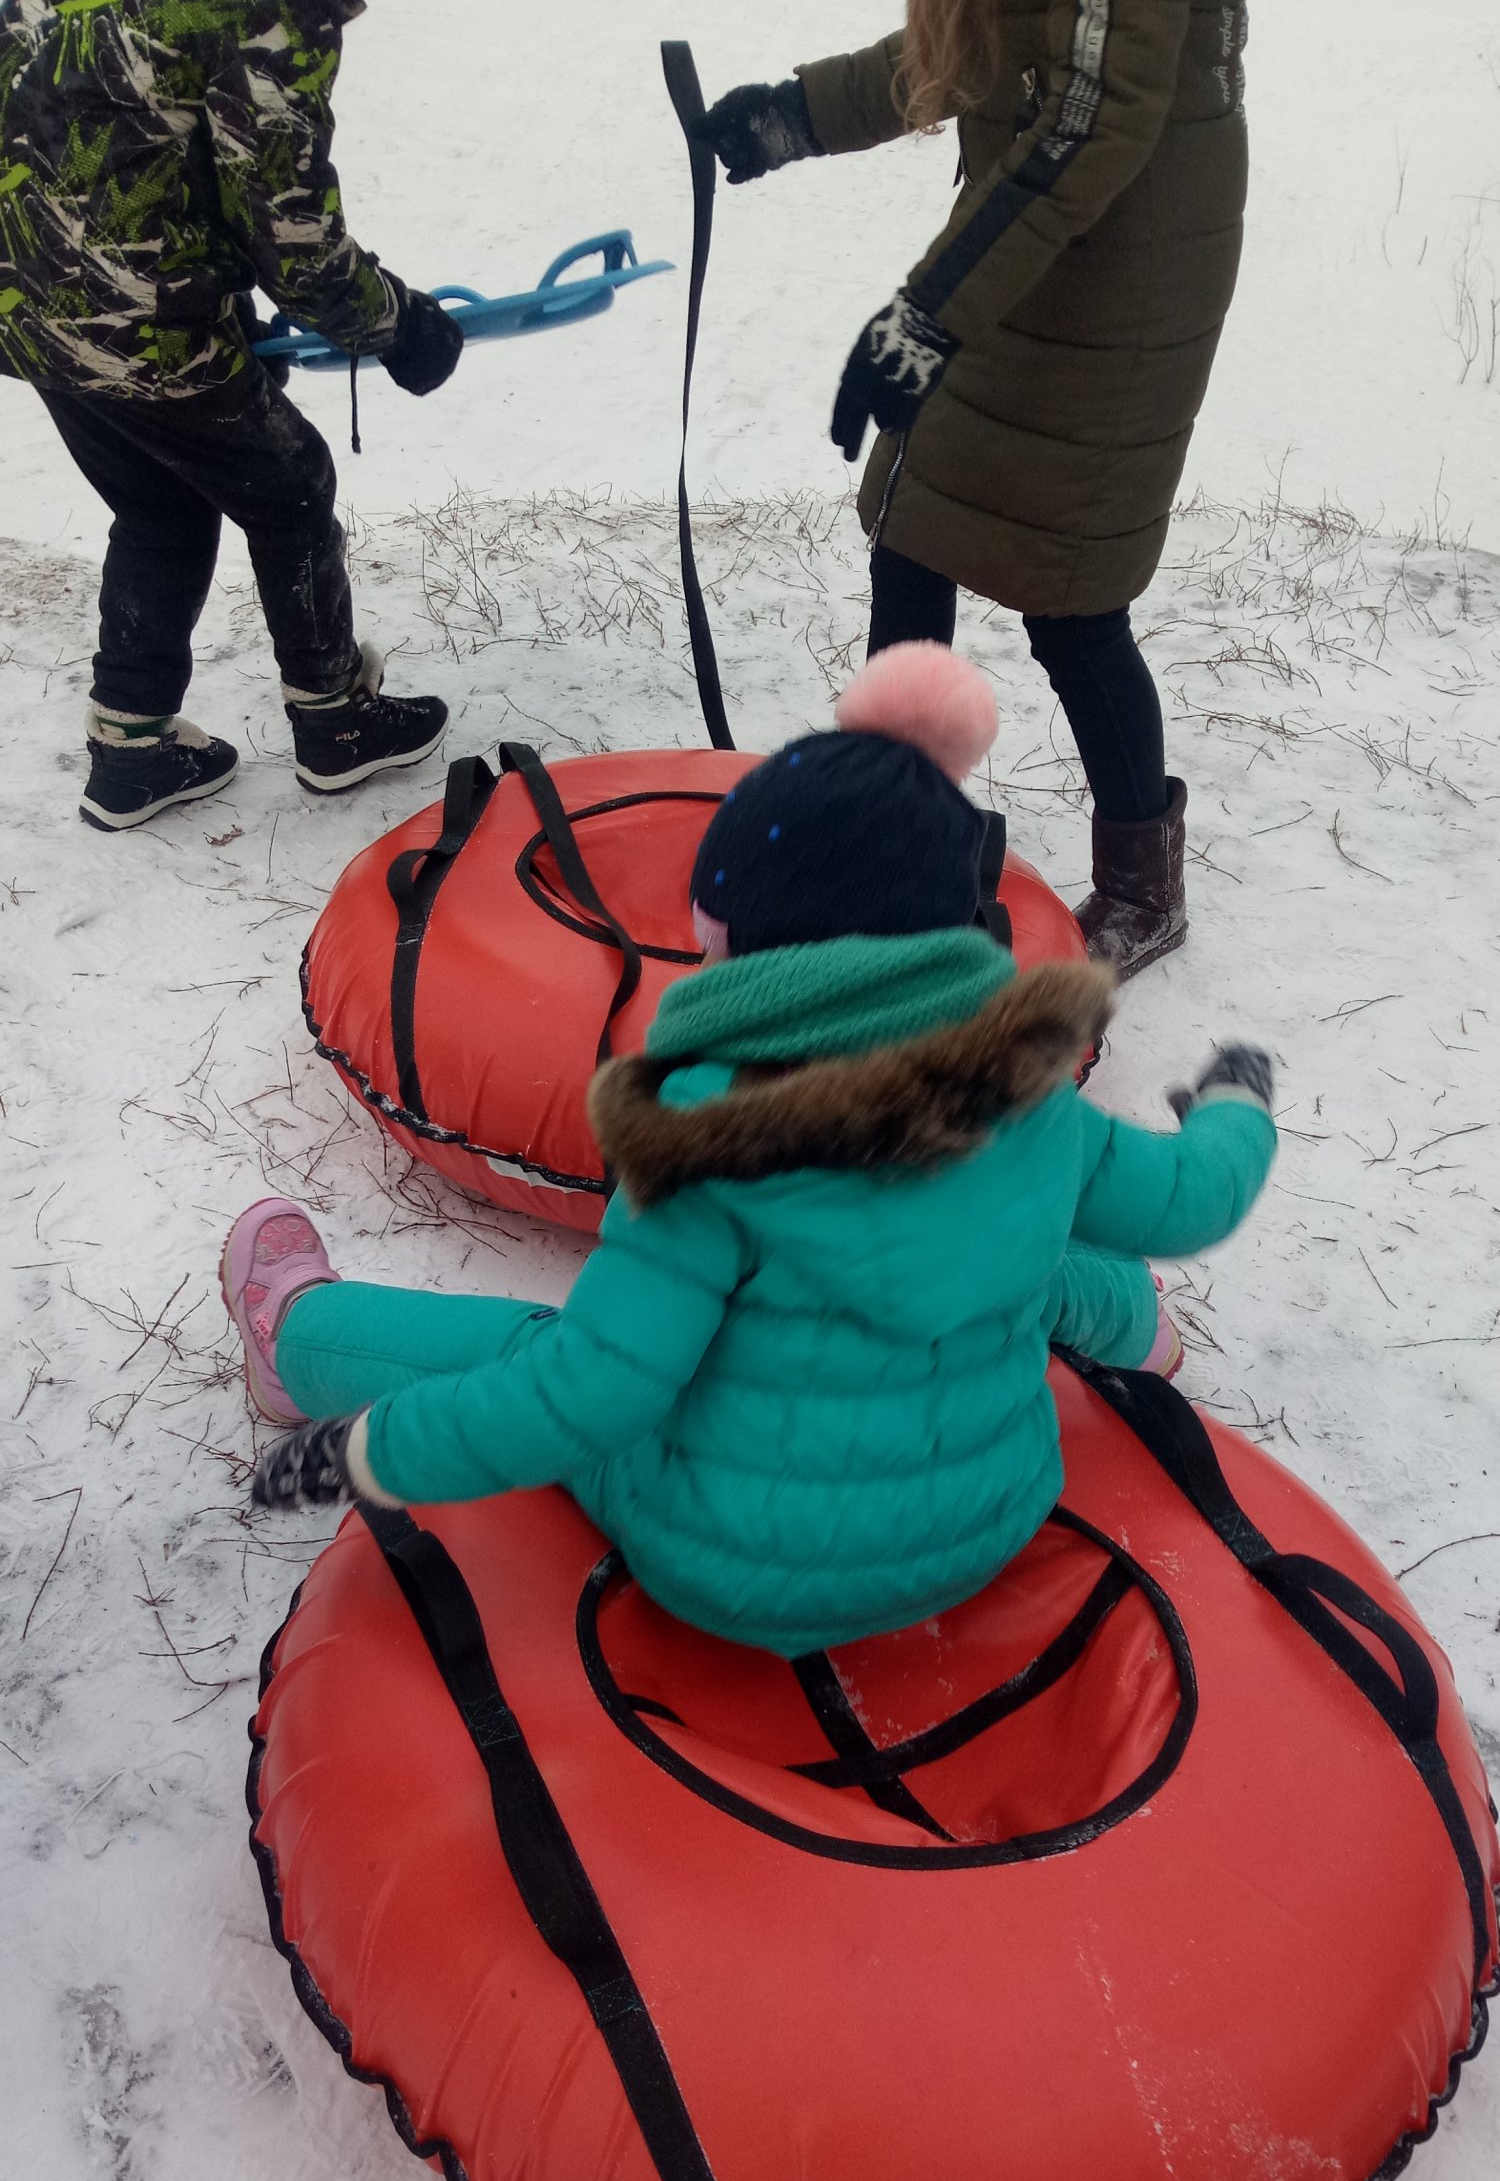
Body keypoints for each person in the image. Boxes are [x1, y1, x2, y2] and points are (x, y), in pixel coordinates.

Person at [222, 643, 1277, 1659]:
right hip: (982, 1533)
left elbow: (589, 1396)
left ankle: (299, 1339)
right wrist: (1237, 1102)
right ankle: (1134, 1324)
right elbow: (1192, 1196)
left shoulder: (709, 1139)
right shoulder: (1031, 1089)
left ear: (729, 937)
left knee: (549, 1345)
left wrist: (371, 1451)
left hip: (726, 1563)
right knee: (997, 1246)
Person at [696, 0, 1263, 980]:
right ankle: (889, 834)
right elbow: (983, 41)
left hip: (1127, 250)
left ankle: (1146, 884)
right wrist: (797, 115)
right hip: (1028, 221)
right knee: (916, 530)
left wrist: (927, 316)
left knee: (1071, 590)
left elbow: (1102, 116)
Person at [0, 0, 462, 831]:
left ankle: (131, 753)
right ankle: (337, 723)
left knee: (161, 501)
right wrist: (397, 324)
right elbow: (288, 222)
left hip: (23, 293)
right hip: (135, 308)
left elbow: (102, 117)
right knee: (290, 484)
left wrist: (208, 267)